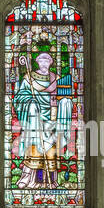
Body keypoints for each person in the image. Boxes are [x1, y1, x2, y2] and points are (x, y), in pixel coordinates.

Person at [12, 49, 72, 190]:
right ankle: (30, 178)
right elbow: (20, 97)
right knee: (35, 145)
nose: (44, 63)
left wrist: (64, 103)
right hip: (34, 119)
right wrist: (31, 103)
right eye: (41, 60)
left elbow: (63, 95)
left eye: (47, 60)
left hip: (53, 116)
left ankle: (51, 180)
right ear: (37, 62)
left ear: (51, 62)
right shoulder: (29, 78)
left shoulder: (56, 79)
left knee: (51, 147)